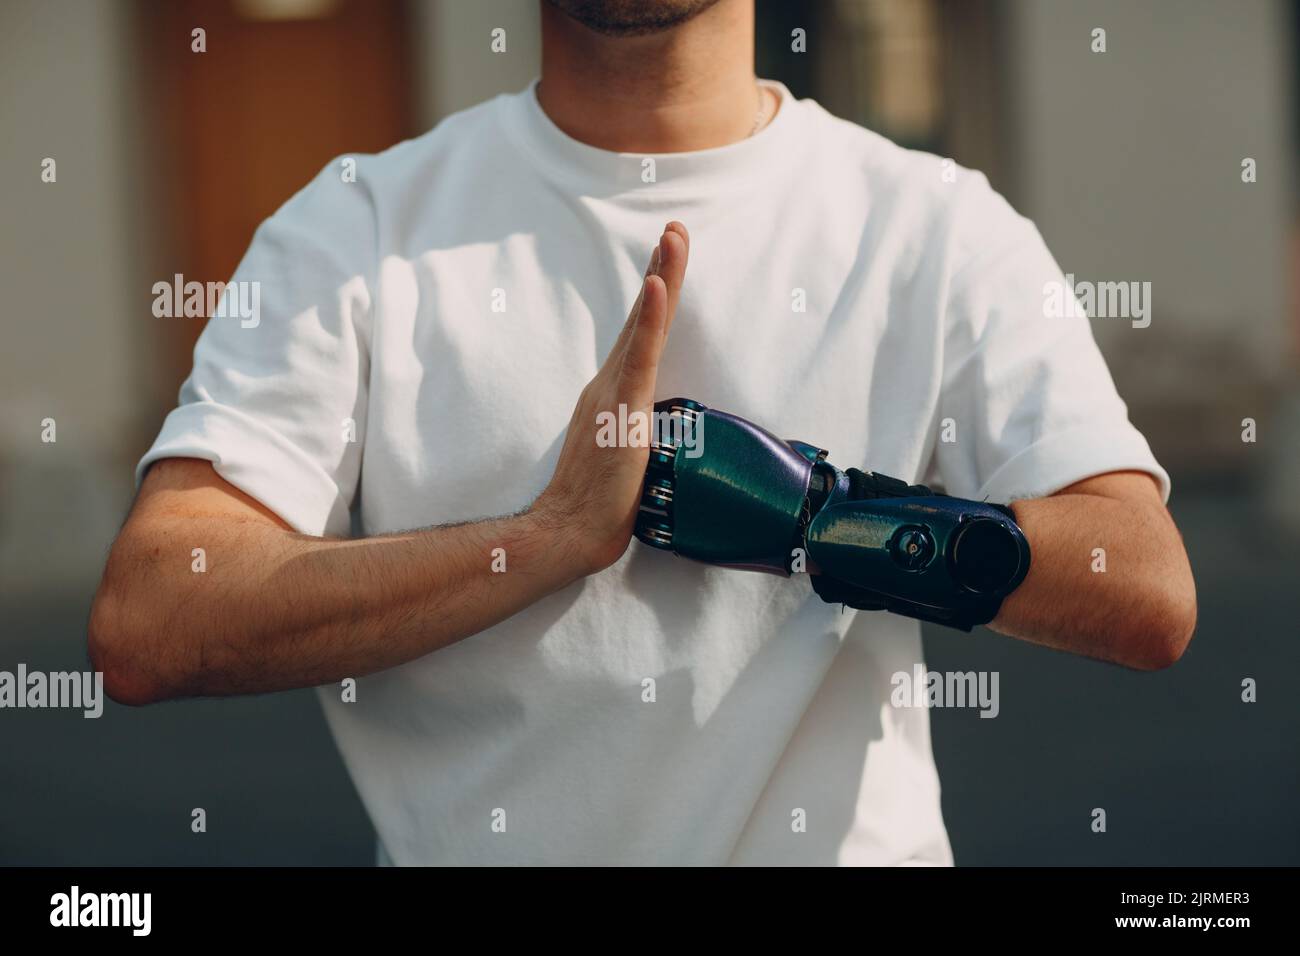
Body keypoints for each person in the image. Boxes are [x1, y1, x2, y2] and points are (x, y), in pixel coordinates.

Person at [88, 0, 1196, 865]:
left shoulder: (933, 224)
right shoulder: (356, 231)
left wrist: (823, 519)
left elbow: (1144, 582)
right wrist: (543, 538)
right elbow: (155, 611)